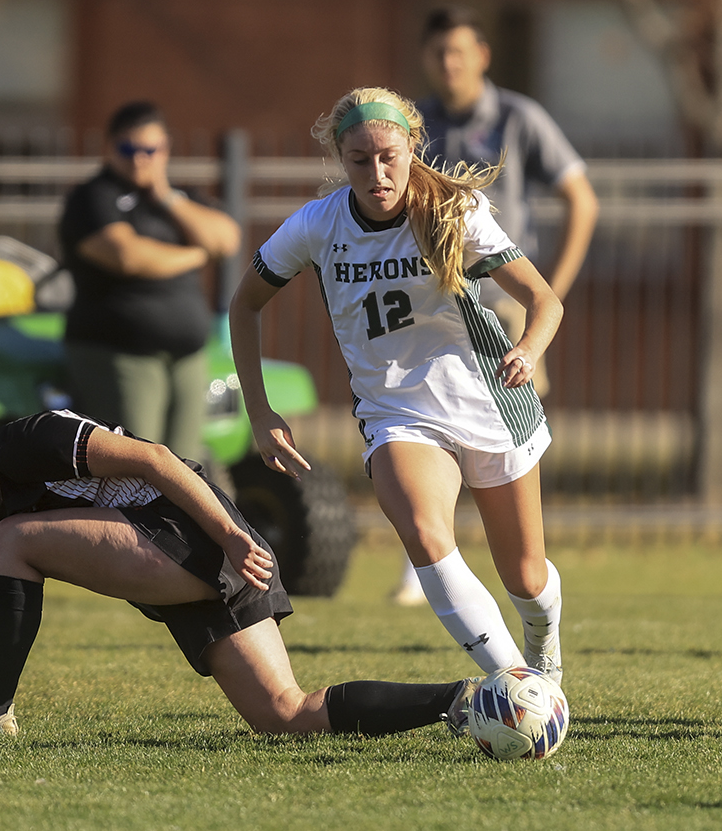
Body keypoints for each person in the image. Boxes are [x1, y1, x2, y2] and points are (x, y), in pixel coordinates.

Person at [0, 408, 476, 738]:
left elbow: (159, 460)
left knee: (14, 537)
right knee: (285, 717)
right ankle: (463, 700)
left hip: (202, 537)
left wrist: (230, 537)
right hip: (186, 558)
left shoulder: (31, 439)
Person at [230, 86, 566, 682]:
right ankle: (518, 685)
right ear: (340, 157)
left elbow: (544, 301)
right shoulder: (317, 224)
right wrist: (260, 412)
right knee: (423, 531)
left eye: (389, 155)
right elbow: (244, 305)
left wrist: (529, 348)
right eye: (360, 160)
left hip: (490, 399)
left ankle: (543, 650)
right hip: (397, 411)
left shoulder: (451, 212)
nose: (377, 172)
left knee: (527, 577)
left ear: (413, 146)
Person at [389, 5, 599, 606]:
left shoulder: (517, 117)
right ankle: (429, 558)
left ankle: (521, 555)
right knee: (426, 419)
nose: (448, 63)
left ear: (482, 55)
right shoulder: (414, 122)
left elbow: (581, 199)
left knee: (509, 430)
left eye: (459, 52)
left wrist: (545, 292)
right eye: (437, 54)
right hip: (431, 300)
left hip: (500, 301)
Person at [59, 101, 239, 462]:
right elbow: (128, 257)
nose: (139, 159)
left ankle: (174, 523)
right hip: (122, 354)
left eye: (150, 150)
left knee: (187, 468)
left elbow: (227, 238)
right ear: (108, 147)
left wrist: (167, 198)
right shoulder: (93, 197)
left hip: (187, 355)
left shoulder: (178, 198)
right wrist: (197, 254)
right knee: (136, 463)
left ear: (166, 149)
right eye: (128, 149)